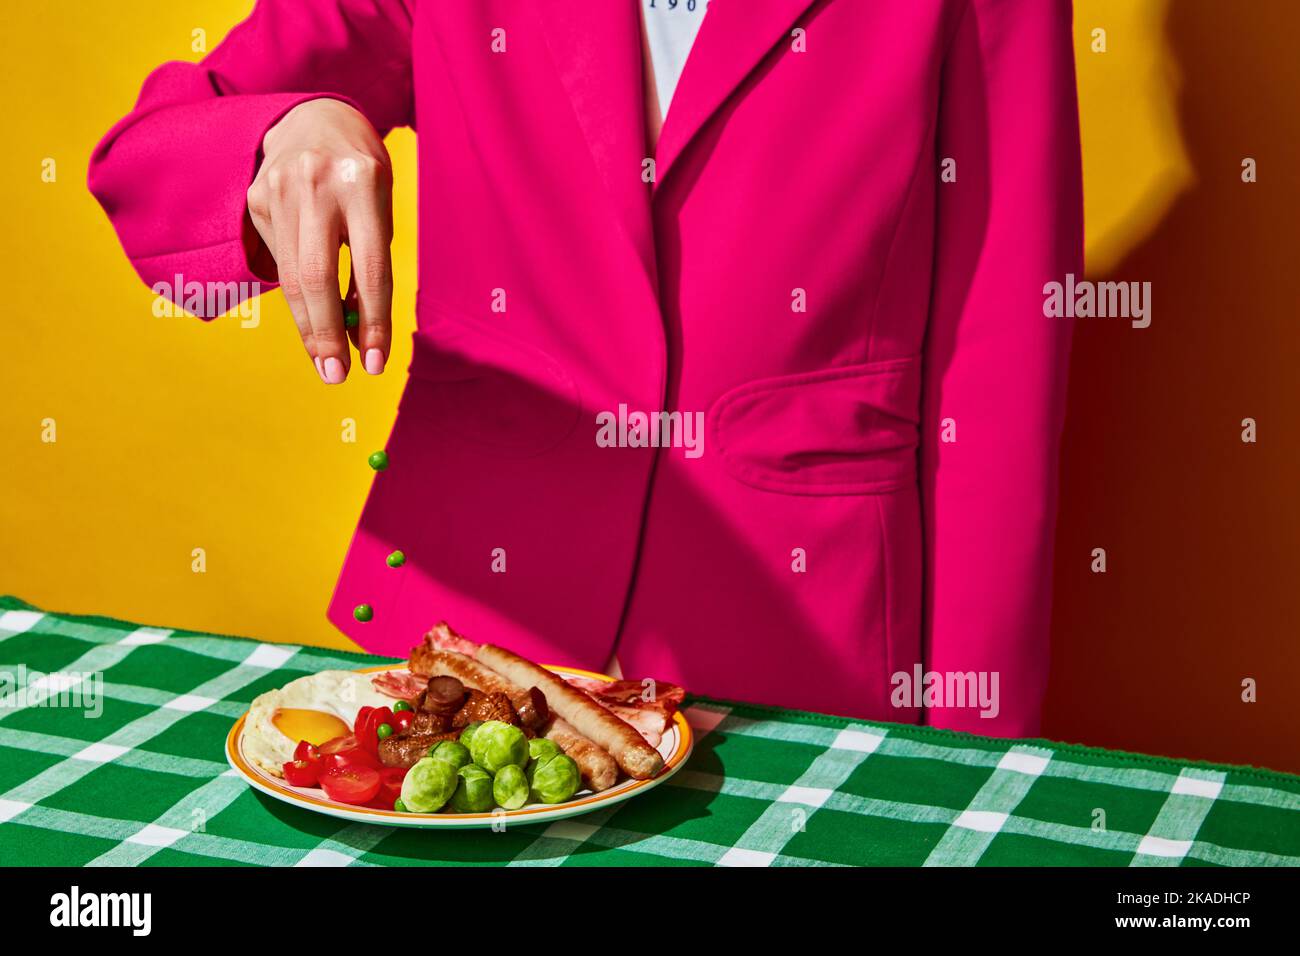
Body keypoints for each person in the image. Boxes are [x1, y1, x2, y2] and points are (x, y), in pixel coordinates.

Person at [89, 0, 1083, 736]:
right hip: (470, 633)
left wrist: (974, 739)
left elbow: (999, 363)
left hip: (805, 652)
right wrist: (280, 135)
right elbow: (149, 156)